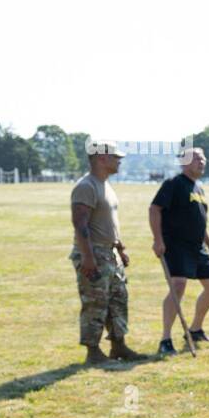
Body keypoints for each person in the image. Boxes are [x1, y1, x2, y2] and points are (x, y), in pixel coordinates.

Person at [69, 141, 146, 364]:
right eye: (115, 157)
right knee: (95, 302)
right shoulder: (87, 186)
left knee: (117, 300)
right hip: (94, 254)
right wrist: (88, 257)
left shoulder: (105, 185)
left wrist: (120, 249)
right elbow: (80, 224)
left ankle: (118, 347)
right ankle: (93, 352)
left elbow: (107, 223)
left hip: (110, 253)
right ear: (101, 158)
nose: (119, 161)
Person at [149, 147, 209, 356]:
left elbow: (200, 221)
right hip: (176, 246)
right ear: (185, 162)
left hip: (197, 247)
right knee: (178, 286)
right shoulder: (174, 184)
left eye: (203, 158)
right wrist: (157, 240)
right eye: (197, 158)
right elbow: (154, 209)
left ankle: (195, 329)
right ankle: (165, 339)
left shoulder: (198, 188)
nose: (202, 162)